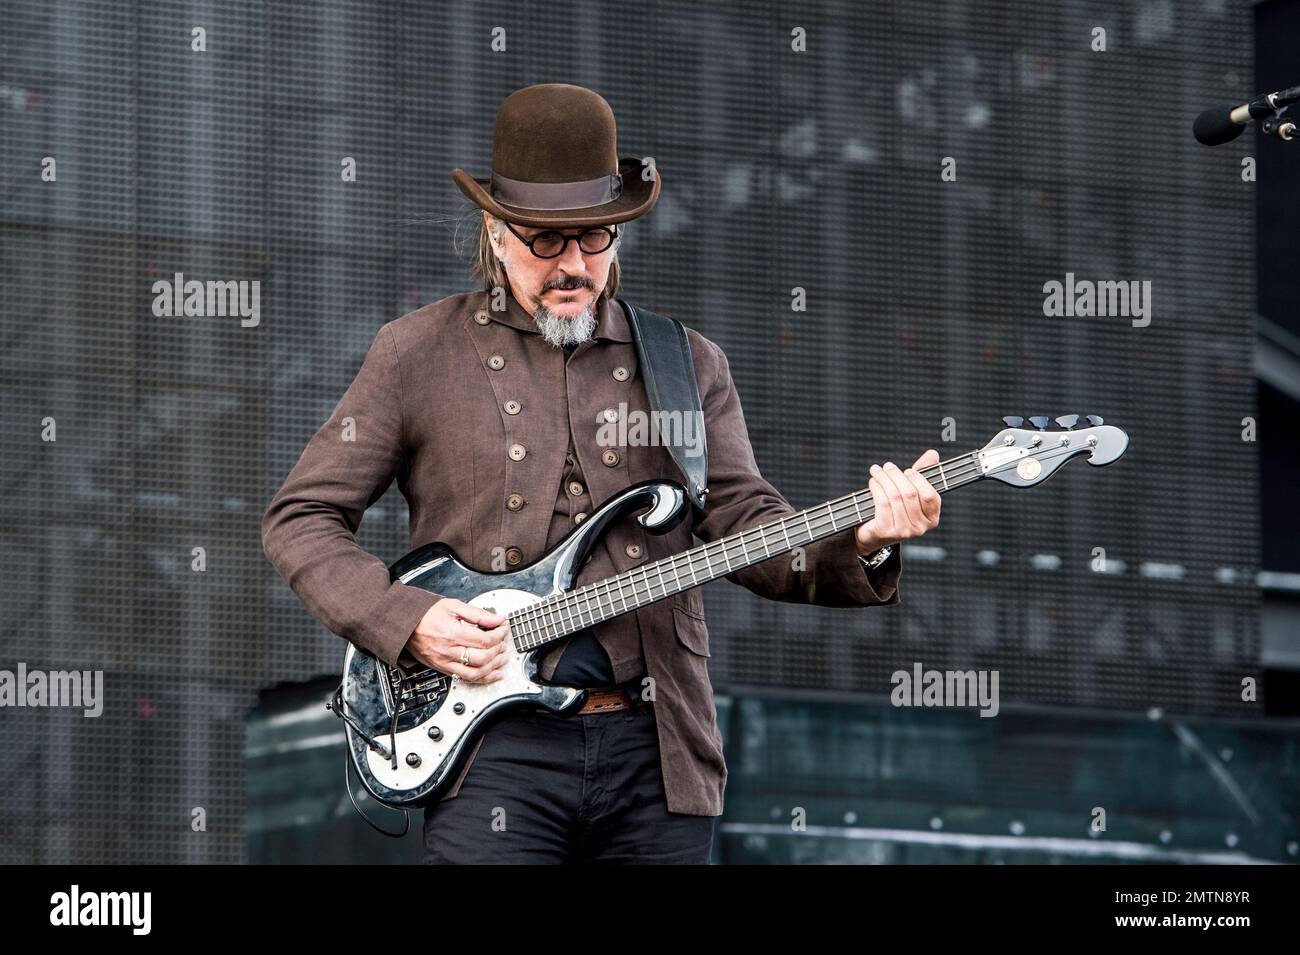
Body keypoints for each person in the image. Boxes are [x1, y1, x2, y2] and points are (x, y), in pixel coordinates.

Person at [261, 83, 941, 864]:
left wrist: (867, 537)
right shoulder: (416, 352)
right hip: (492, 755)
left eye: (594, 239)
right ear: (494, 229)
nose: (574, 265)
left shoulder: (686, 363)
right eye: (545, 240)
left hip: (658, 751)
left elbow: (751, 529)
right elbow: (301, 518)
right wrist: (409, 620)